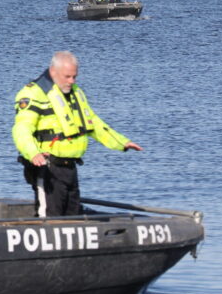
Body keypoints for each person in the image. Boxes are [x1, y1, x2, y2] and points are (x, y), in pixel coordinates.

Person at [12, 51, 143, 217]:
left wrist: (121, 143)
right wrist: (33, 153)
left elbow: (93, 123)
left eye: (74, 77)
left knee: (72, 215)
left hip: (70, 166)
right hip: (47, 167)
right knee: (50, 217)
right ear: (53, 71)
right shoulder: (33, 94)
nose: (71, 81)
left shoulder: (76, 92)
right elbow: (21, 129)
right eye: (67, 77)